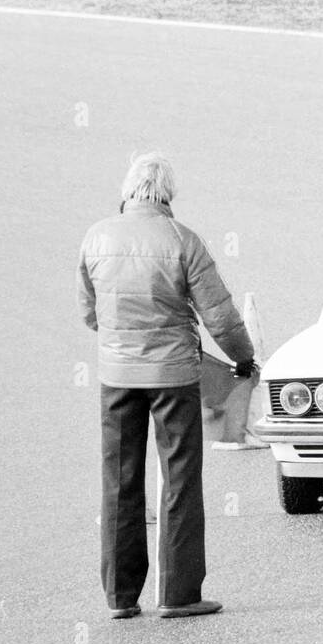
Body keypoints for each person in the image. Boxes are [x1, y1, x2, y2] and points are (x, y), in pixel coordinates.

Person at [79, 152, 255, 620]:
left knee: (119, 480)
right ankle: (179, 595)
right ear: (167, 194)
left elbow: (89, 311)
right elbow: (219, 314)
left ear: (127, 190)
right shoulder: (182, 240)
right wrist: (243, 357)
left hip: (116, 378)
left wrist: (122, 340)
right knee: (179, 479)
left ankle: (120, 597)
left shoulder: (97, 237)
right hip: (174, 377)